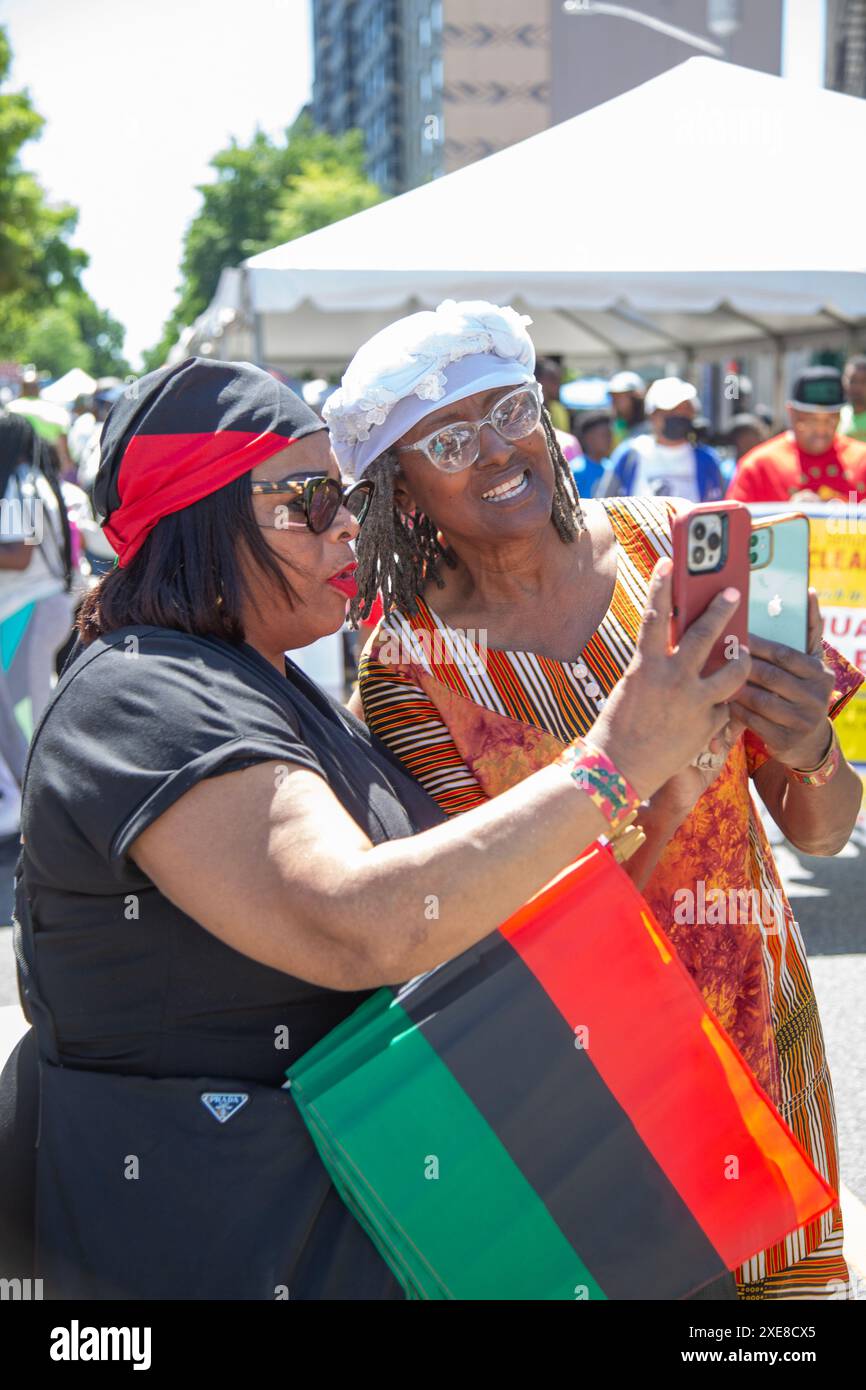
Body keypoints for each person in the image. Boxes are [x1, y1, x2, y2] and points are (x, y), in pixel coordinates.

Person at [0, 354, 752, 1300]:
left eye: (346, 495)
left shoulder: (268, 684)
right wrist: (616, 758)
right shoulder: (143, 692)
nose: (347, 522)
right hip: (215, 1230)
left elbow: (471, 934)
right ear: (200, 517)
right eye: (309, 499)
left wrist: (666, 796)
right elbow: (356, 923)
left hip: (348, 1206)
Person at [329, 300, 864, 1300]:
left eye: (509, 411)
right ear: (399, 488)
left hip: (760, 1034)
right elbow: (488, 927)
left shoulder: (678, 554)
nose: (498, 449)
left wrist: (811, 749)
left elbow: (823, 834)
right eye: (450, 440)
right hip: (588, 1081)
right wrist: (654, 777)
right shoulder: (410, 672)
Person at [0, 412, 76, 798]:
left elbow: (20, 555)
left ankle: (38, 801)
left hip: (29, 609)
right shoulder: (33, 480)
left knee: (25, 717)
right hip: (39, 607)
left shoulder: (21, 483)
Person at [727, 366, 866, 505]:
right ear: (792, 413)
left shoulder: (862, 460)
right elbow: (733, 516)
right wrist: (788, 513)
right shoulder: (758, 467)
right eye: (811, 420)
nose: (821, 430)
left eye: (831, 420)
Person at [600, 377, 725, 502]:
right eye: (670, 411)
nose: (678, 415)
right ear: (652, 415)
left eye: (685, 410)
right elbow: (604, 502)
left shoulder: (707, 459)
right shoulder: (630, 454)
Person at [6, 366, 72, 478]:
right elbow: (62, 443)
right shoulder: (55, 410)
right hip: (48, 466)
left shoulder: (9, 409)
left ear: (22, 389)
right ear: (38, 389)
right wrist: (66, 465)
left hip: (15, 465)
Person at [573, 409, 613, 496]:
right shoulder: (576, 470)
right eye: (604, 435)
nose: (609, 439)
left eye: (610, 435)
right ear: (589, 438)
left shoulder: (611, 468)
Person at [607, 370, 648, 447]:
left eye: (619, 397)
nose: (614, 402)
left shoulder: (651, 429)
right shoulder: (614, 427)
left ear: (635, 398)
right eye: (613, 397)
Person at [840, 354, 866, 443]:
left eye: (864, 381)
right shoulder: (836, 416)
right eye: (852, 380)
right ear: (843, 381)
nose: (858, 387)